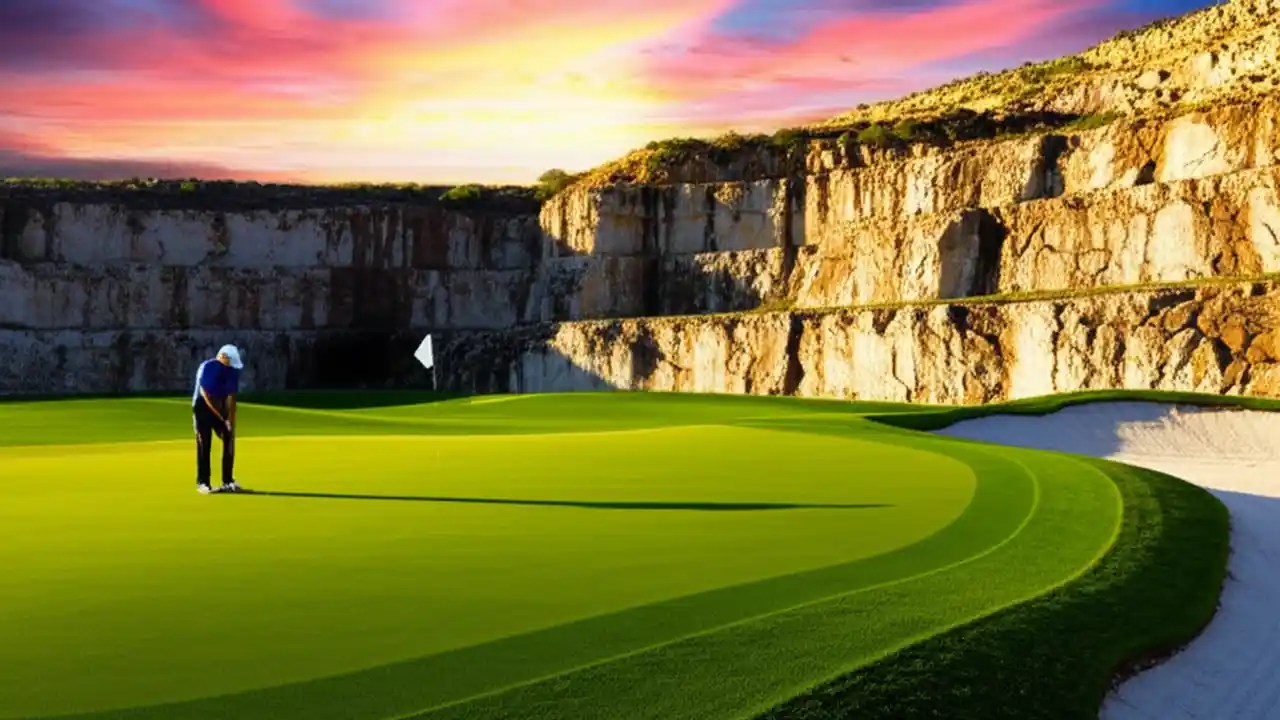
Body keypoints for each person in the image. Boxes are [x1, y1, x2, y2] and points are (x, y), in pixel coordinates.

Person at [192, 344, 244, 494]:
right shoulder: (209, 368)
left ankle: (227, 481)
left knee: (229, 437)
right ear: (222, 357)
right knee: (204, 443)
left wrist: (231, 421)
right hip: (202, 407)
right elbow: (206, 395)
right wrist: (223, 417)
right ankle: (203, 483)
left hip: (219, 406)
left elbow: (231, 398)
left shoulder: (232, 372)